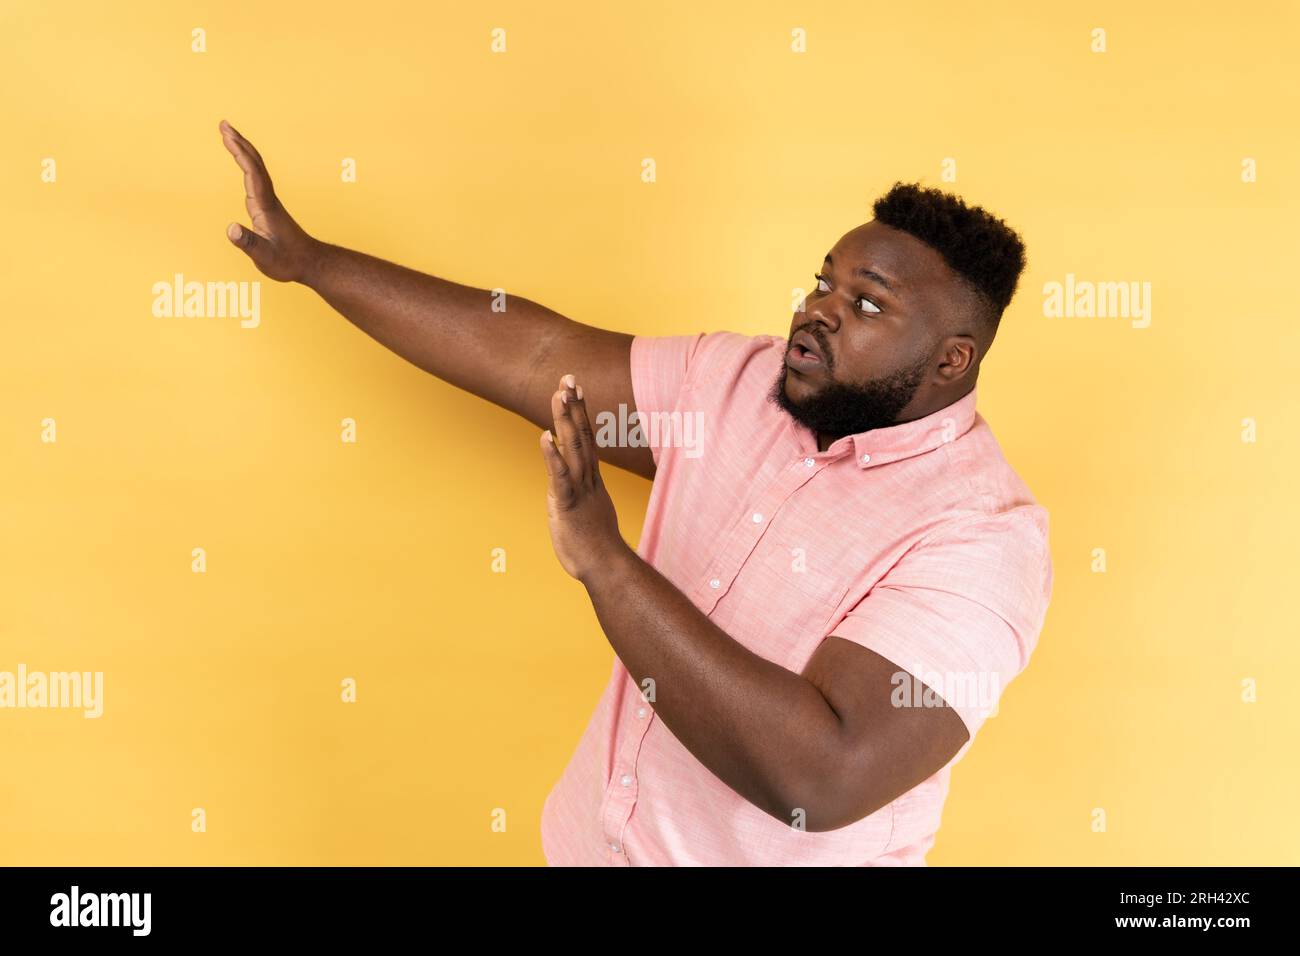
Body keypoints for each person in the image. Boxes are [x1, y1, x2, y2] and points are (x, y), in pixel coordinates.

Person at [219, 119, 1053, 866]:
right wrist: (312, 263)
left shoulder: (983, 539)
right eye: (822, 282)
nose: (818, 312)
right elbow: (536, 354)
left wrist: (607, 565)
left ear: (953, 360)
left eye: (867, 304)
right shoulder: (740, 382)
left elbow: (823, 774)